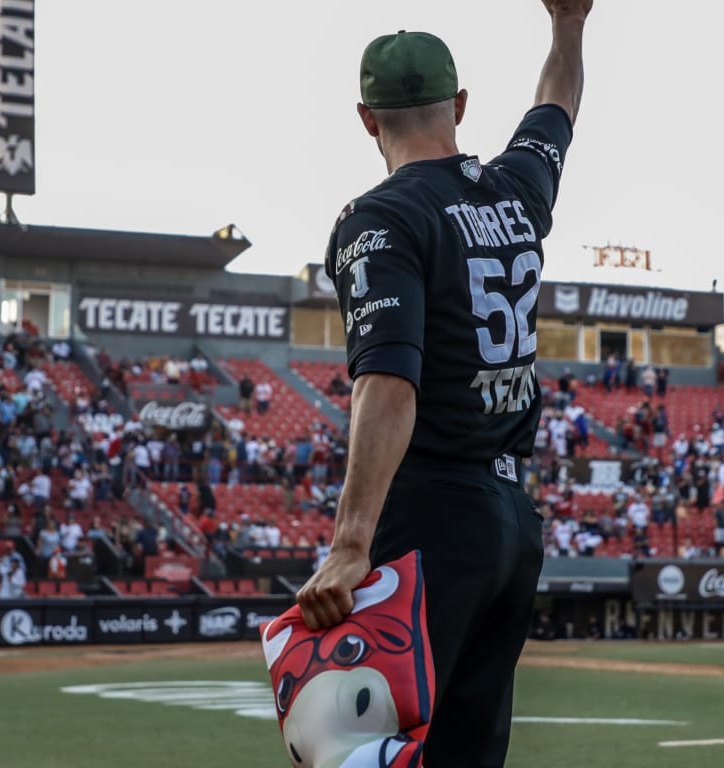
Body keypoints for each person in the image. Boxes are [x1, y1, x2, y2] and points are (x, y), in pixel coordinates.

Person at [296, 4, 588, 765]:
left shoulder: (381, 217)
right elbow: (556, 107)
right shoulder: (516, 189)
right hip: (511, 524)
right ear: (459, 107)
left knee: (366, 750)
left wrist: (351, 542)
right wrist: (568, 25)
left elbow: (388, 380)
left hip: (428, 519)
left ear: (367, 119)